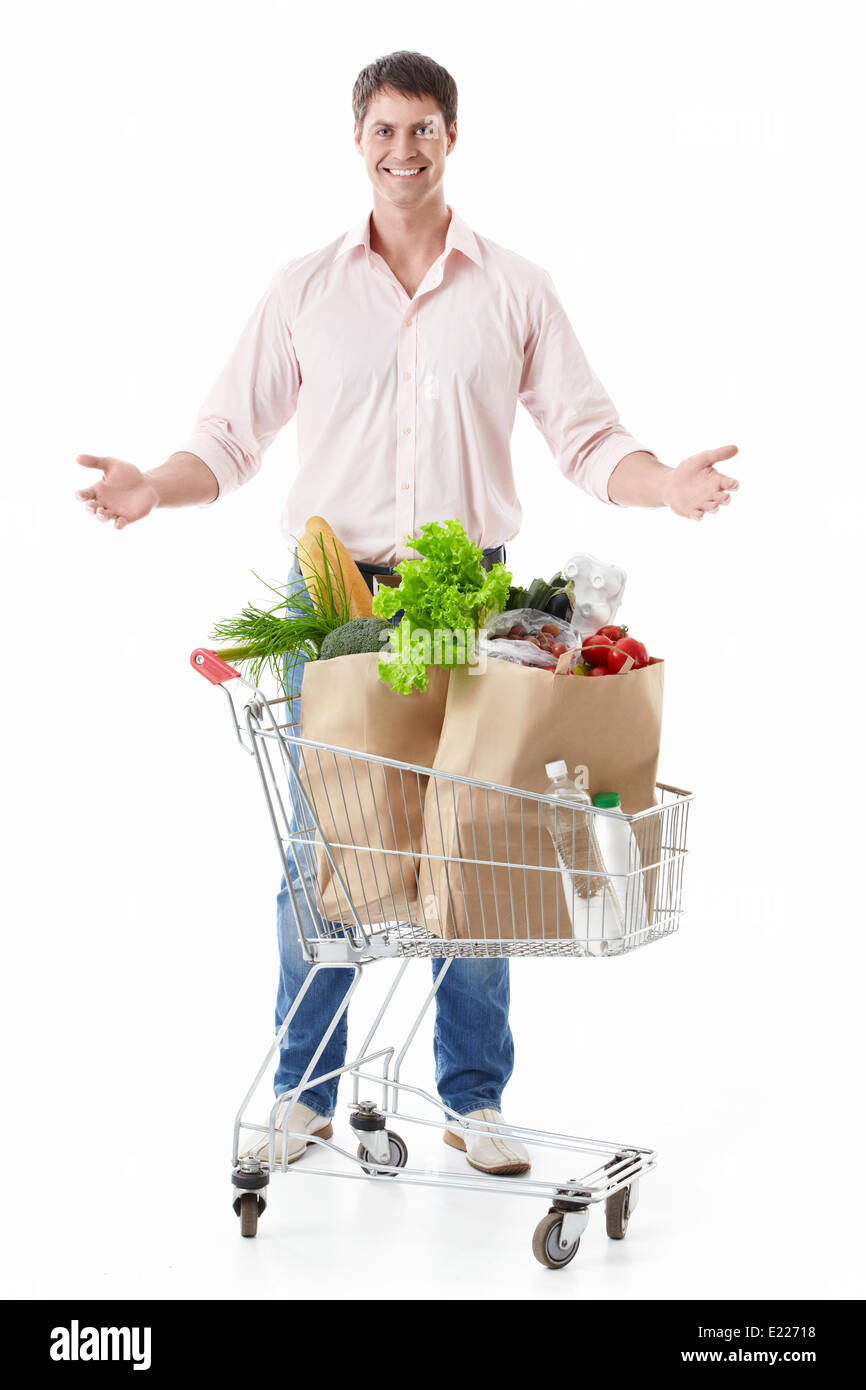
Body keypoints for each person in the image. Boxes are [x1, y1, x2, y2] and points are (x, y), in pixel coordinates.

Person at [75, 50, 738, 1176]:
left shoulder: (514, 286)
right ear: (356, 141)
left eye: (421, 129)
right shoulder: (303, 288)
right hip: (335, 602)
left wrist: (661, 483)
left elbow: (584, 436)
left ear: (450, 138)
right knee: (322, 852)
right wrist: (153, 485)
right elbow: (229, 439)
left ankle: (474, 1100)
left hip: (470, 595)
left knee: (475, 842)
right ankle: (304, 1093)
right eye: (382, 130)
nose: (401, 150)